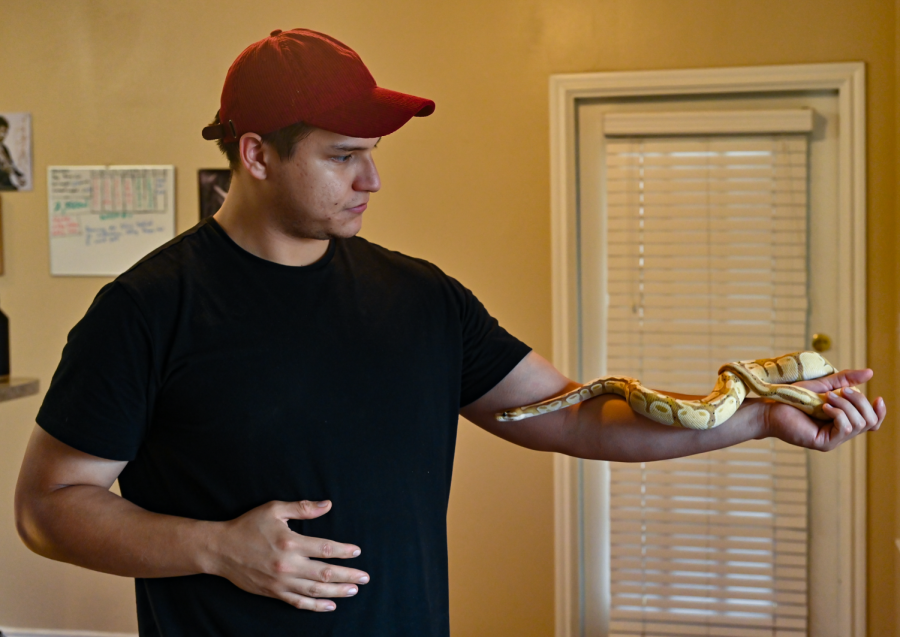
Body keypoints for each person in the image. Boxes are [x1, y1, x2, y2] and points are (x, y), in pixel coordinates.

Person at [14, 28, 885, 637]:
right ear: (255, 154)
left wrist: (760, 418)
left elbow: (577, 415)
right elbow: (49, 506)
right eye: (344, 154)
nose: (374, 178)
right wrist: (216, 547)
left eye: (374, 152)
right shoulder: (146, 308)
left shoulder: (421, 300)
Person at [0, 115, 26, 191]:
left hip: (8, 185)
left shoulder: (4, 148)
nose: (3, 135)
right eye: (0, 131)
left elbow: (12, 165)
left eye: (5, 132)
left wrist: (20, 176)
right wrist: (4, 171)